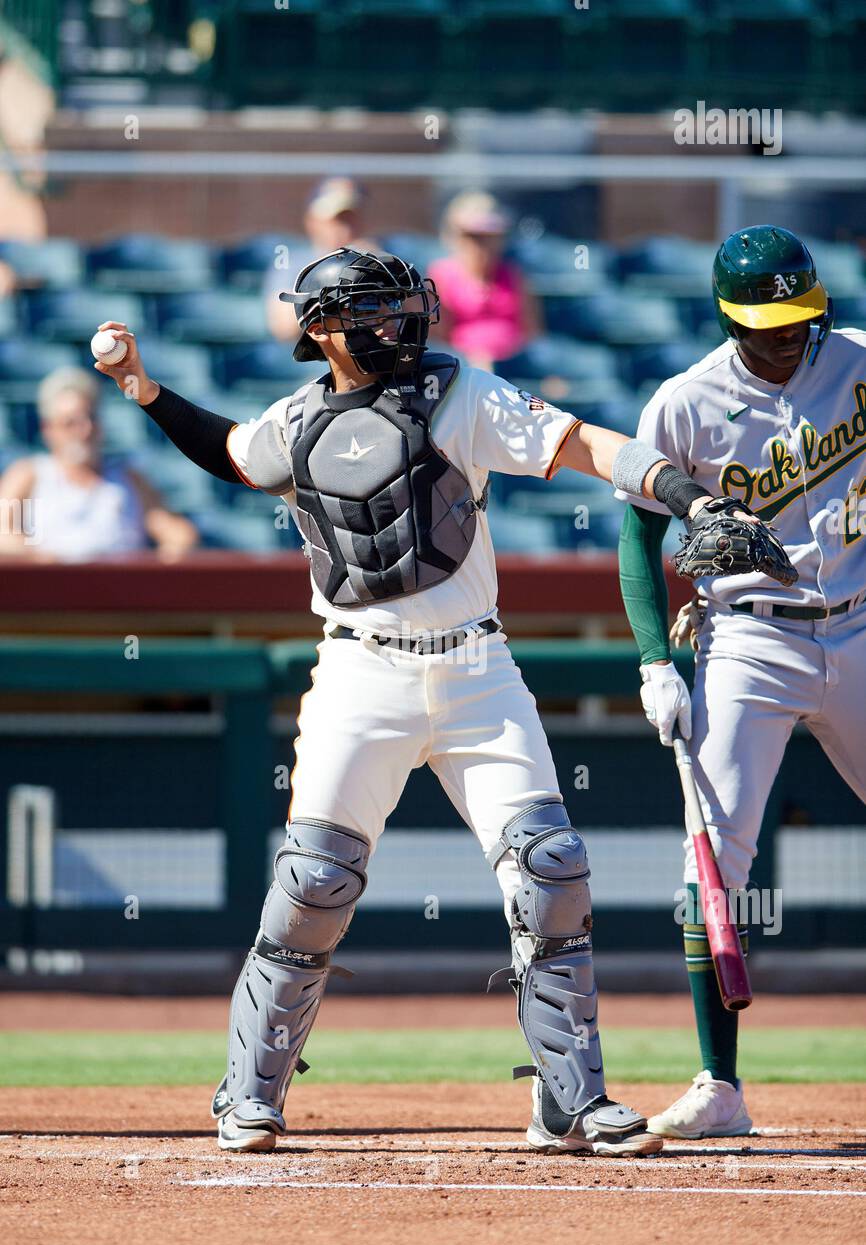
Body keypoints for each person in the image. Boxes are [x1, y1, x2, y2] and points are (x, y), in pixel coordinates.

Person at [92, 245, 738, 1160]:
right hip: (361, 674)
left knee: (552, 872)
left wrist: (684, 494)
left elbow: (583, 444)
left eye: (402, 308)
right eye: (374, 313)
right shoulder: (295, 420)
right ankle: (248, 1095)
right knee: (313, 883)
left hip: (479, 669)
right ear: (322, 331)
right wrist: (145, 389)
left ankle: (571, 1101)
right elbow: (232, 457)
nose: (399, 326)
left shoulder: (458, 392)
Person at [616, 225, 866, 1138]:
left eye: (801, 318)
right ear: (728, 318)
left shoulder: (856, 362)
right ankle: (719, 1088)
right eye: (768, 324)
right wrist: (653, 659)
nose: (789, 336)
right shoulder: (684, 404)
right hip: (750, 640)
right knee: (714, 859)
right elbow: (640, 541)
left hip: (864, 621)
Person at [0, 366, 197, 561]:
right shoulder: (28, 475)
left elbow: (174, 532)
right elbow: (4, 535)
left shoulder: (129, 478)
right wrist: (43, 560)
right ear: (48, 429)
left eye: (91, 418)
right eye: (70, 422)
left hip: (120, 588)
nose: (85, 430)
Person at [428, 191, 540, 369]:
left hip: (517, 365)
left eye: (490, 236)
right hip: (461, 366)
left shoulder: (513, 274)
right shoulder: (441, 275)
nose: (483, 245)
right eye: (474, 236)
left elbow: (533, 333)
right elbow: (438, 338)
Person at [266, 177, 377, 343]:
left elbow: (417, 318)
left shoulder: (380, 259)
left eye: (351, 219)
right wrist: (335, 277)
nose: (345, 228)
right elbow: (283, 328)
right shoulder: (291, 262)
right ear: (313, 222)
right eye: (337, 220)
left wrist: (375, 265)